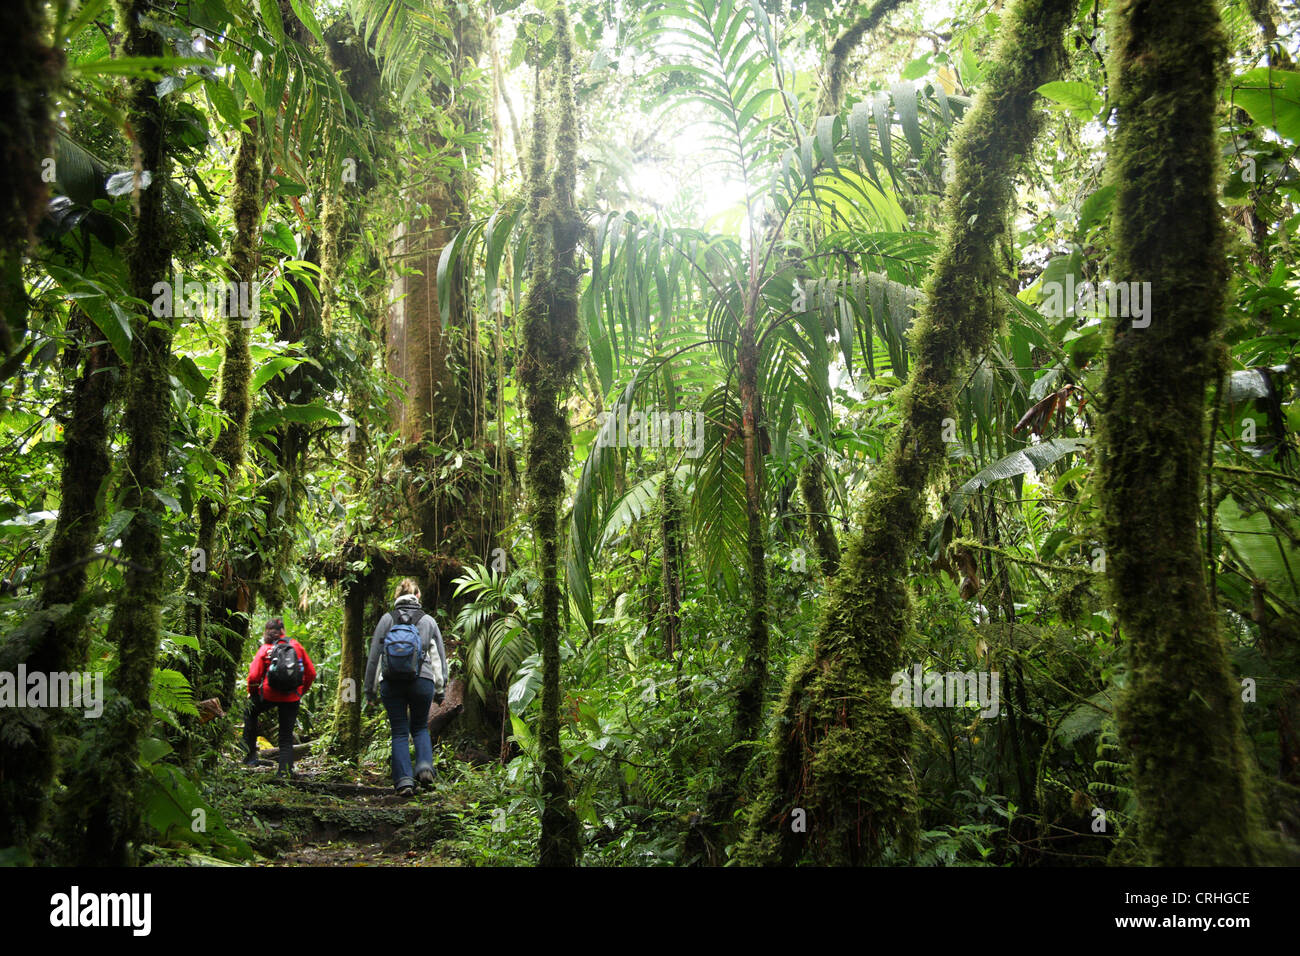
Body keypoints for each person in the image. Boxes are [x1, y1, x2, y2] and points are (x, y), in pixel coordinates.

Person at [365, 578, 447, 796]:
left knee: (399, 731)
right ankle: (424, 768)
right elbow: (438, 657)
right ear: (418, 596)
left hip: (391, 683)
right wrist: (440, 690)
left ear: (397, 597)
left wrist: (369, 691)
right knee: (420, 727)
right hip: (422, 681)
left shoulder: (386, 620)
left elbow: (374, 657)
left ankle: (404, 782)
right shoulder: (428, 620)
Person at [244, 617, 316, 777]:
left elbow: (254, 676)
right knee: (286, 734)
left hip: (269, 695)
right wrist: (300, 691)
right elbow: (311, 672)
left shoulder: (265, 649)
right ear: (283, 630)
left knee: (250, 712)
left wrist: (253, 693)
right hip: (292, 697)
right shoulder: (296, 646)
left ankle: (250, 756)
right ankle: (285, 770)